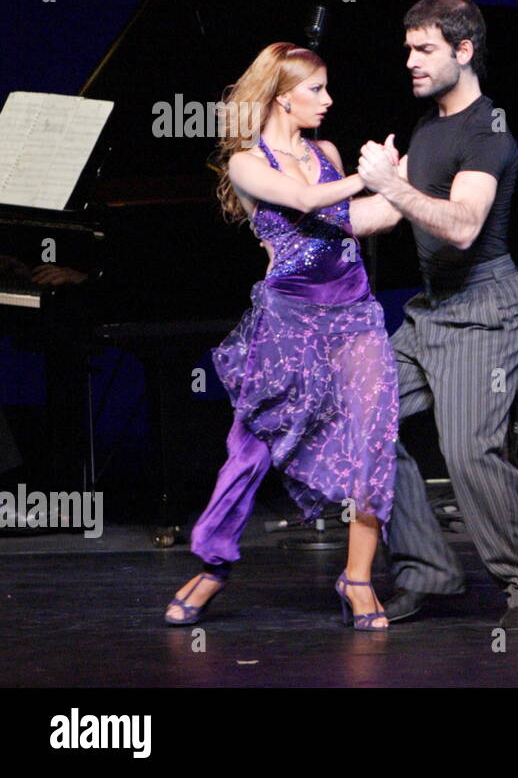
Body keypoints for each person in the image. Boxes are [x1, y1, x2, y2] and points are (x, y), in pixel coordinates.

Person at [163, 42, 404, 631]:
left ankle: (358, 577)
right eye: (316, 89)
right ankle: (214, 567)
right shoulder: (247, 161)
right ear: (281, 96)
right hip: (288, 321)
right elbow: (302, 200)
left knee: (373, 435)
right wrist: (362, 180)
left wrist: (398, 188)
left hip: (353, 314)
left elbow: (356, 220)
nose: (328, 99)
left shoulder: (325, 151)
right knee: (250, 448)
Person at [356, 0, 518, 631]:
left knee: (469, 450)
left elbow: (464, 226)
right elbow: (386, 212)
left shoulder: (487, 128)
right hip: (431, 312)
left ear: (463, 51)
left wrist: (392, 182)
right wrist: (298, 223)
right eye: (408, 48)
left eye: (425, 50)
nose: (409, 61)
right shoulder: (429, 126)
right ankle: (427, 572)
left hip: (484, 308)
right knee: (366, 420)